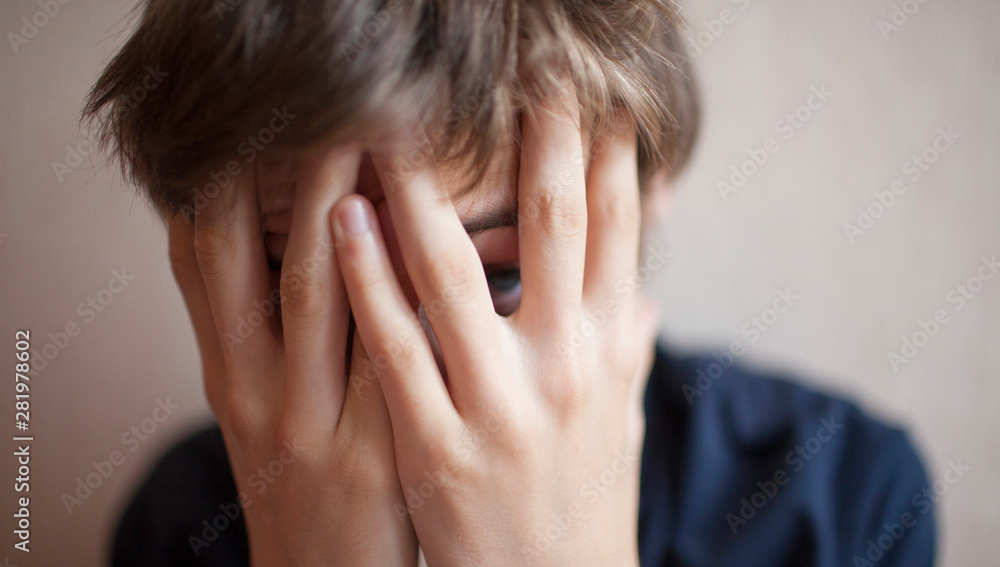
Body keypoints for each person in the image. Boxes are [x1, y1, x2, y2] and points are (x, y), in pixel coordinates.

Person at [84, 0, 935, 565]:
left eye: (498, 274)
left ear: (648, 186)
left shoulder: (841, 501)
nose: (403, 364)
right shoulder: (176, 524)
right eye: (316, 293)